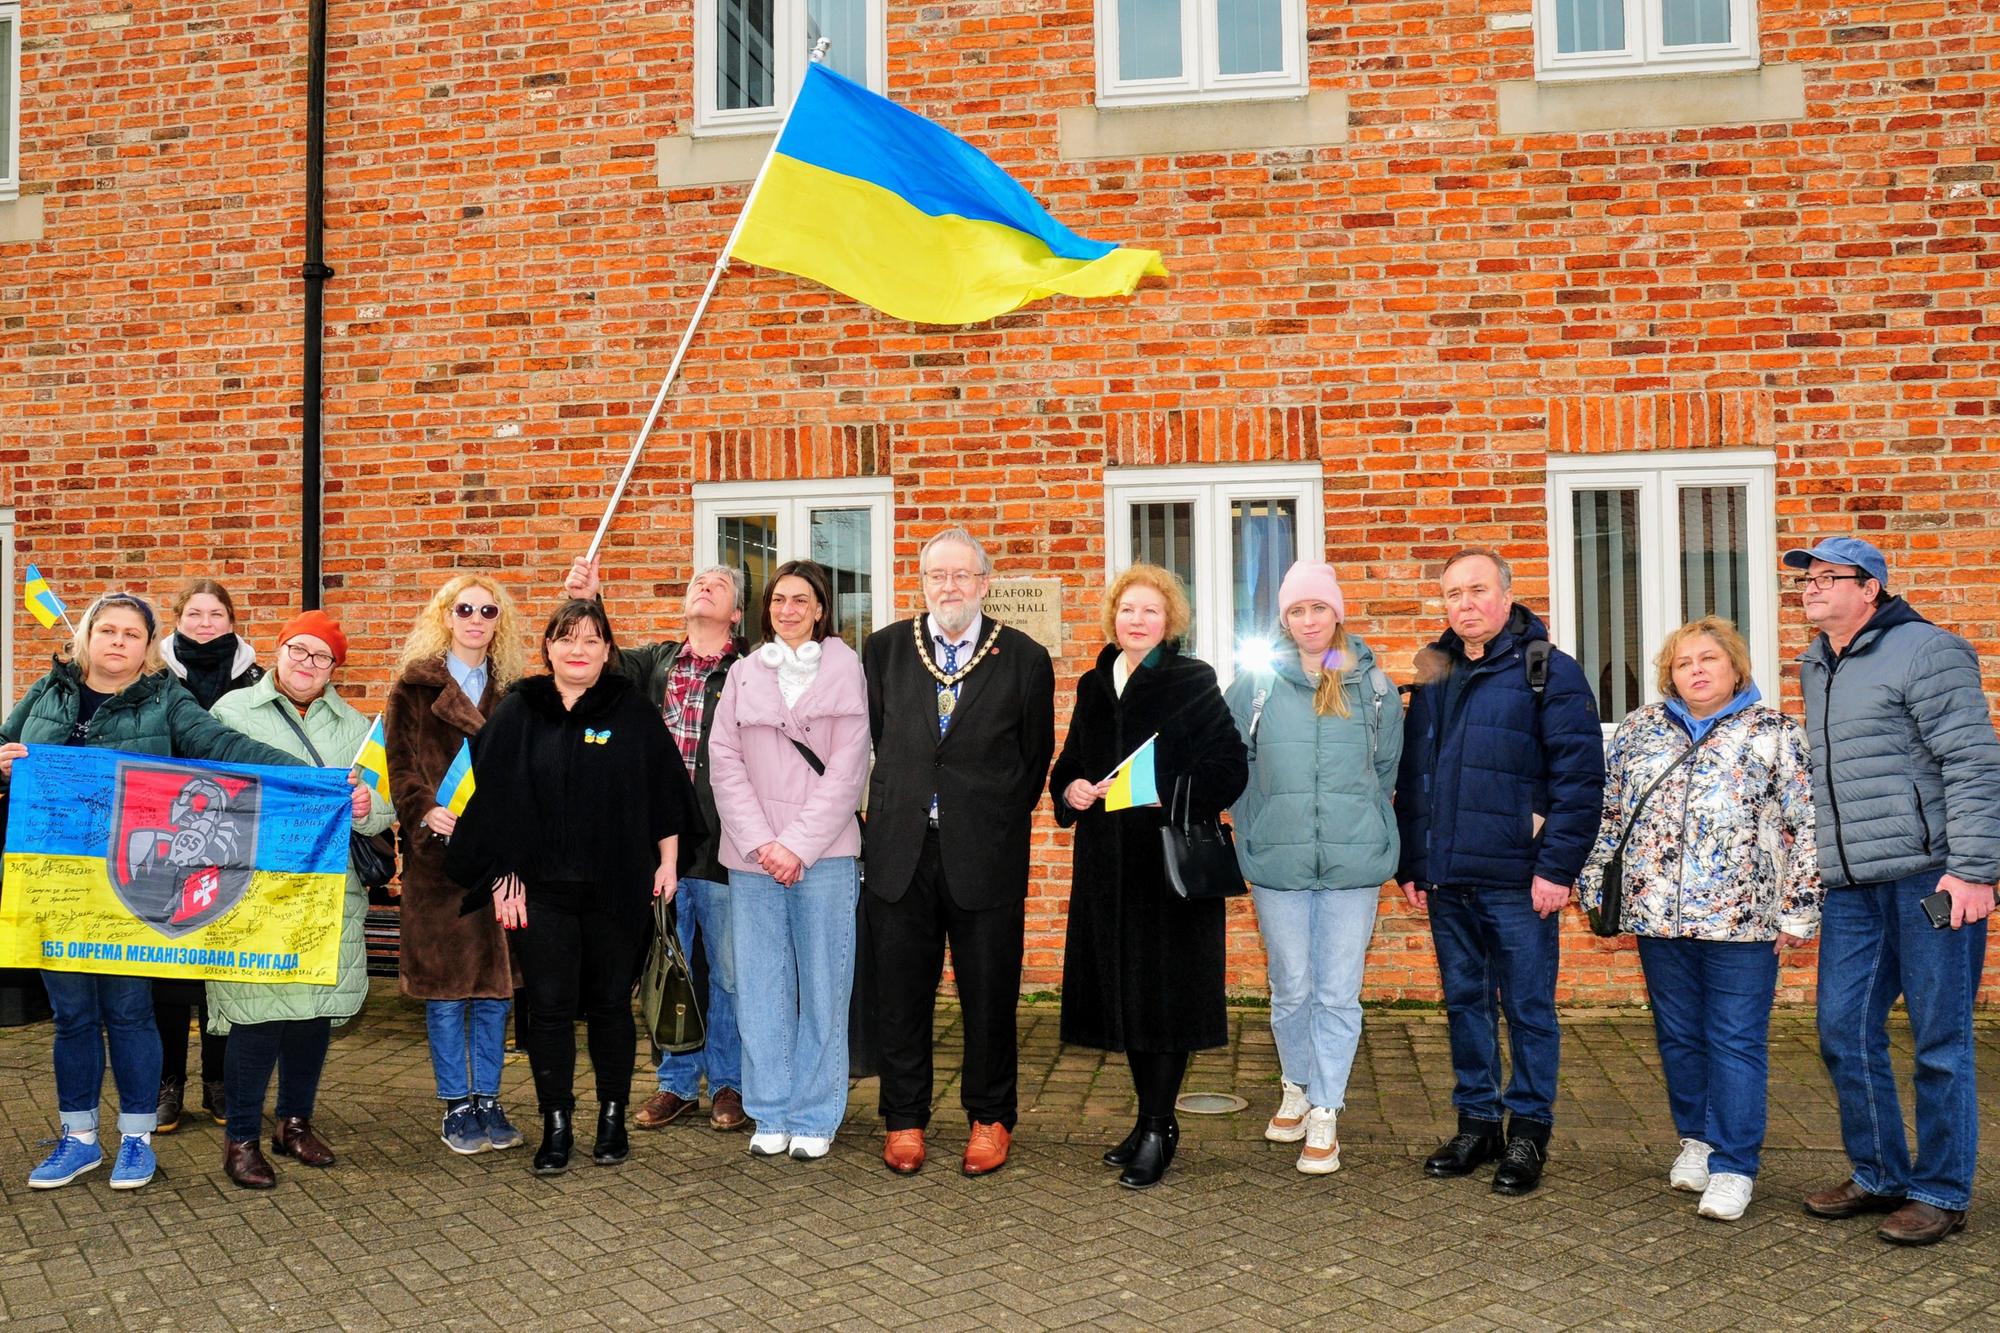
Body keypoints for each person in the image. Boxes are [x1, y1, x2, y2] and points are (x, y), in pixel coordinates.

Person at [0, 591, 312, 1192]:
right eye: (107, 630)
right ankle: (78, 1139)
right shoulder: (47, 692)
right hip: (57, 882)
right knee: (71, 1017)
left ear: (149, 648)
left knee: (129, 1012)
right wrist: (4, 763)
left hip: (129, 885)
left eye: (131, 634)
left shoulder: (167, 698)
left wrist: (306, 776)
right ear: (87, 635)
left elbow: (223, 747)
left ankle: (137, 1139)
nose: (117, 642)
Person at [1786, 537, 2000, 1246]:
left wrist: (1972, 869)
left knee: (1940, 1037)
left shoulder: (1927, 650)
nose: (1811, 588)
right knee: (1842, 1029)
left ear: (1870, 587)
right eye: (1806, 579)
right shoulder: (1817, 663)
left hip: (1929, 877)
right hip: (1852, 885)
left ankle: (1941, 1190)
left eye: (1826, 577)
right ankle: (1880, 1172)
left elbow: (1972, 760)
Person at [1578, 616, 1820, 1222]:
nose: (1696, 671)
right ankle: (1697, 1140)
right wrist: (1594, 886)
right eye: (1684, 663)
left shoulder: (1775, 734)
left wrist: (1799, 908)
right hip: (1657, 915)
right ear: (1671, 674)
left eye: (1708, 659)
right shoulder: (1638, 731)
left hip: (1743, 919)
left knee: (1735, 1040)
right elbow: (1608, 815)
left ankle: (1735, 1165)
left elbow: (1805, 826)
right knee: (1679, 1035)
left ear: (1735, 667)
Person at [444, 599, 697, 1176]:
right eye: (565, 638)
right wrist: (502, 876)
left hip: (618, 886)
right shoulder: (518, 711)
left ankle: (612, 1117)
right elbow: (492, 802)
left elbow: (663, 790)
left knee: (611, 1006)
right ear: (548, 648)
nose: (577, 649)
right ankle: (556, 1123)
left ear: (607, 650)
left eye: (590, 640)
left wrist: (668, 862)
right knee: (550, 1011)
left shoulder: (631, 710)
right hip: (541, 889)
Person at [1393, 548, 1604, 1196]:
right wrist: (1412, 860)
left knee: (1529, 1009)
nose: (1465, 604)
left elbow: (1581, 778)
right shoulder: (1434, 673)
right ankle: (1477, 1122)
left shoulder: (1548, 670)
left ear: (1507, 596)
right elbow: (1413, 775)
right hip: (1449, 877)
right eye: (1453, 592)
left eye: (1477, 589)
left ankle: (1528, 1132)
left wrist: (1557, 867)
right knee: (1465, 1003)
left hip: (1519, 880)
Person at [861, 526, 1054, 1177]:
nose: (949, 586)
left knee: (990, 994)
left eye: (962, 575)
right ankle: (905, 1118)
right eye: (937, 575)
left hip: (985, 853)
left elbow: (1034, 762)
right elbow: (877, 744)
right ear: (922, 581)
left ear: (984, 583)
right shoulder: (885, 650)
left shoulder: (1024, 657)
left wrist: (986, 816)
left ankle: (990, 1118)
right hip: (900, 854)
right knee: (901, 993)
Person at [1050, 564, 1248, 1190]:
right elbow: (1072, 762)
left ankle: (1160, 1129)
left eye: (1150, 612)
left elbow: (1228, 764)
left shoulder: (1192, 680)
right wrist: (1072, 789)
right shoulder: (1091, 683)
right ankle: (1147, 1120)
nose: (1137, 621)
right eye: (1128, 610)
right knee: (1126, 997)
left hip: (1167, 862)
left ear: (1170, 622)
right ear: (1113, 617)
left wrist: (1162, 791)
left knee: (1164, 997)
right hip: (1107, 865)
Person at [1222, 563, 1402, 1176]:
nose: (1308, 621)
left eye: (1318, 609)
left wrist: (1364, 825)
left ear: (1336, 613)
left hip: (1354, 863)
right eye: (1296, 611)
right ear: (1283, 618)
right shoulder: (1257, 685)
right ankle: (1296, 1085)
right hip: (1279, 860)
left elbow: (1385, 774)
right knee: (1292, 987)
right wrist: (1257, 823)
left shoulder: (1373, 686)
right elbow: (1232, 764)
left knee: (1337, 991)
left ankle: (1326, 1108)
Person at [207, 611, 396, 1189]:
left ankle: (294, 1123)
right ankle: (240, 1137)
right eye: (297, 650)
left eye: (322, 657)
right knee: (257, 1017)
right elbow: (204, 792)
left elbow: (386, 813)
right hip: (253, 892)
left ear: (336, 667)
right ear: (278, 650)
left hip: (327, 893)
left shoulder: (358, 729)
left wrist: (368, 809)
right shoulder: (231, 714)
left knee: (313, 1014)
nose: (307, 664)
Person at [564, 556, 749, 1134]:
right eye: (699, 580)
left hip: (722, 845)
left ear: (737, 613)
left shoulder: (750, 669)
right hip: (656, 846)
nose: (704, 584)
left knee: (728, 974)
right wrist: (592, 602)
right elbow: (604, 664)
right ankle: (675, 1083)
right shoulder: (655, 663)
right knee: (667, 967)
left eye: (719, 584)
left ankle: (728, 1084)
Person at [707, 560, 869, 1161]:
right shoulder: (746, 671)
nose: (788, 610)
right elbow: (724, 761)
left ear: (821, 609)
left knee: (825, 986)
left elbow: (849, 770)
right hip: (753, 858)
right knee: (760, 987)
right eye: (778, 599)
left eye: (801, 600)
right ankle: (769, 1110)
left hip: (823, 854)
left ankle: (814, 1114)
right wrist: (762, 843)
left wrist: (796, 845)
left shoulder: (846, 668)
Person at [385, 574, 528, 1156]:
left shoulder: (517, 692)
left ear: (500, 622)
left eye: (488, 610)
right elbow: (399, 768)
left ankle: (489, 1098)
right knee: (447, 991)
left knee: (495, 990)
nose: (476, 618)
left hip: (500, 861)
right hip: (439, 862)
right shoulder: (413, 690)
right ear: (445, 615)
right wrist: (425, 811)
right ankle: (456, 1105)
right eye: (464, 607)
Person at [152, 578, 265, 1135]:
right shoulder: (152, 679)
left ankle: (219, 1081)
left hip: (233, 837)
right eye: (194, 613)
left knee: (221, 963)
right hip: (168, 832)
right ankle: (167, 1082)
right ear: (177, 618)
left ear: (231, 620)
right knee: (169, 968)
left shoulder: (255, 679)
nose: (204, 623)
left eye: (215, 613)